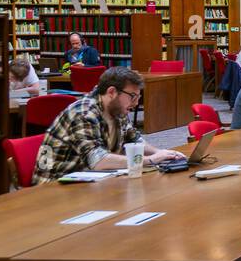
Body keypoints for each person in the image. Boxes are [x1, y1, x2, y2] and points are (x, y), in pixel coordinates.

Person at [33, 66, 183, 183]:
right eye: (132, 96)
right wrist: (151, 160)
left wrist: (162, 153)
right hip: (56, 187)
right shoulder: (84, 113)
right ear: (112, 92)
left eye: (138, 97)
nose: (136, 103)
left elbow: (135, 141)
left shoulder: (117, 110)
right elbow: (99, 161)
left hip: (92, 181)